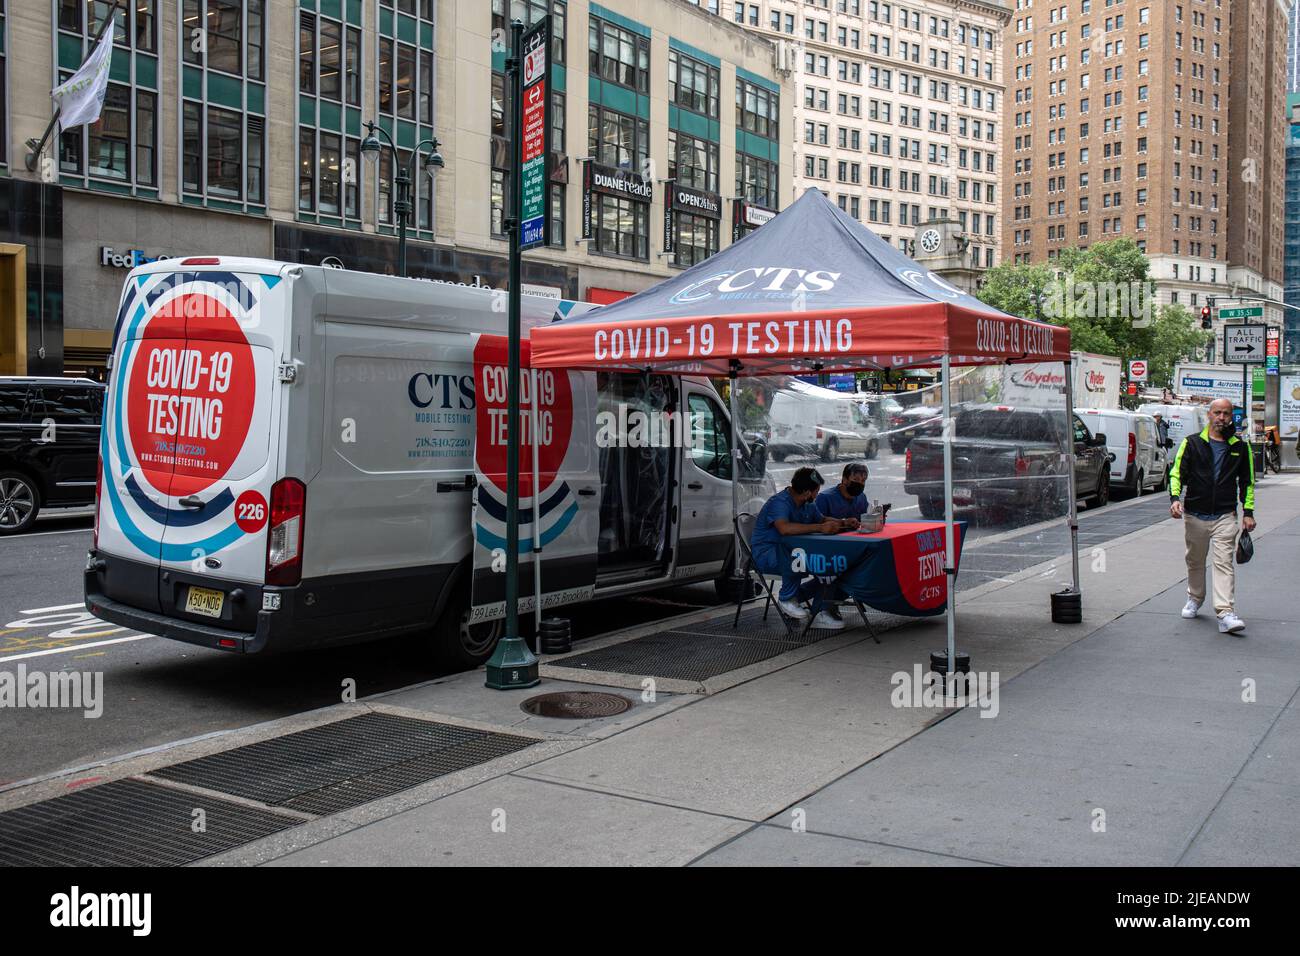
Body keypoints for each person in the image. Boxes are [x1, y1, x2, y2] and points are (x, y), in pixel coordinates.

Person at [1168, 397, 1257, 634]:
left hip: (1225, 515)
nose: (1221, 418)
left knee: (1223, 562)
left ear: (1231, 417)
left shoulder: (1241, 447)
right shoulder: (1192, 443)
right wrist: (1175, 499)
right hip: (1195, 513)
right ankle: (1195, 597)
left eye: (1226, 414)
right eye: (1217, 413)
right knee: (1195, 560)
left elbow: (1248, 483)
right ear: (1209, 415)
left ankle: (1225, 612)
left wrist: (1248, 512)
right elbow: (1177, 473)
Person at [750, 467, 854, 628]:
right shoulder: (779, 502)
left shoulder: (807, 504)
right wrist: (820, 529)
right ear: (806, 492)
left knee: (830, 563)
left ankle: (819, 611)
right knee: (799, 558)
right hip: (767, 554)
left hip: (793, 552)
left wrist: (843, 522)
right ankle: (787, 598)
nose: (817, 495)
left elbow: (821, 519)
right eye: (816, 491)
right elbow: (784, 528)